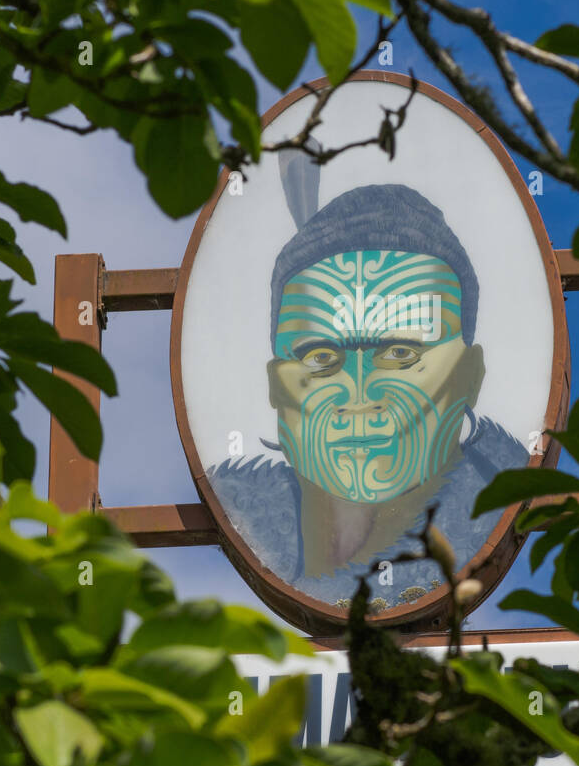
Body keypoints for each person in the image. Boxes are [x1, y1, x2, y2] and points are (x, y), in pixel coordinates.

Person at [208, 183, 527, 611]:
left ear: (470, 376)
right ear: (274, 383)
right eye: (320, 356)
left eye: (400, 353)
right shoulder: (234, 511)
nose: (359, 395)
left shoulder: (509, 504)